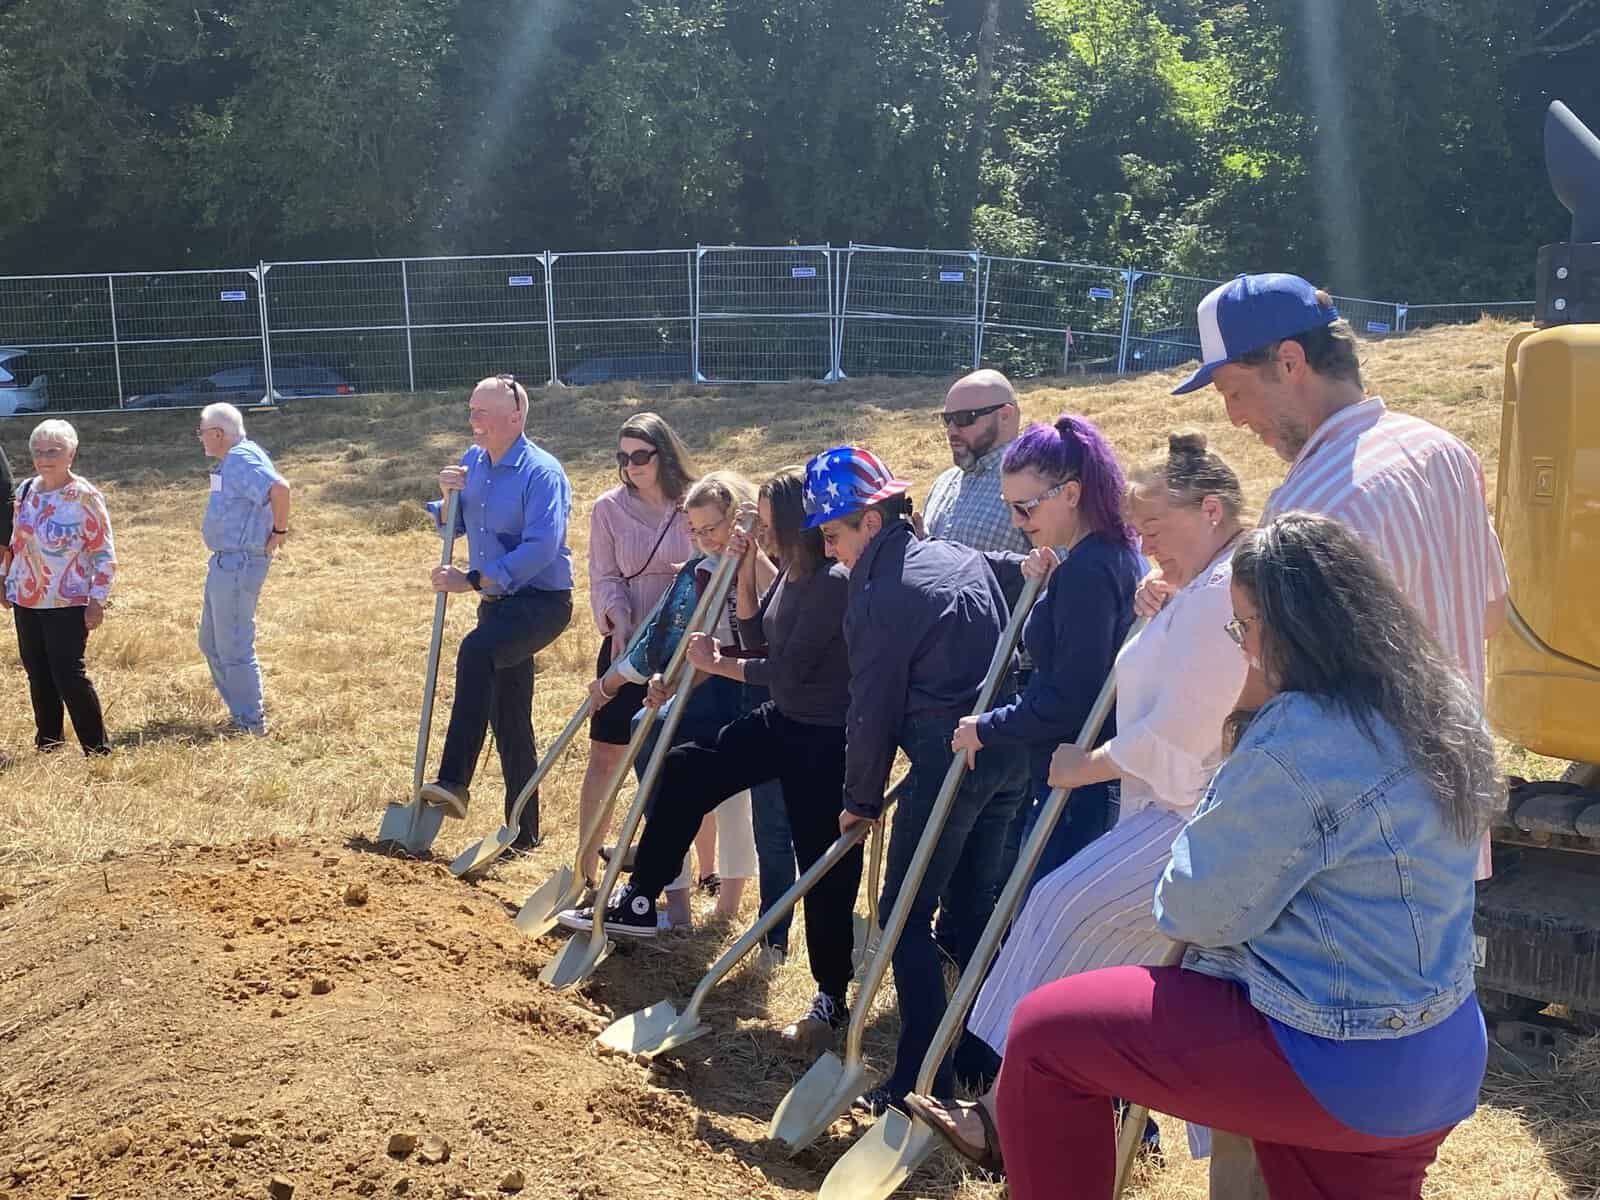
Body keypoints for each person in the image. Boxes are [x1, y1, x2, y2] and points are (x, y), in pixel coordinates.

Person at [991, 513, 1501, 1200]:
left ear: (1297, 626)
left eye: (1247, 626)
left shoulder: (1297, 736)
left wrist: (1243, 729)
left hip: (1333, 1056)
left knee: (1044, 1037)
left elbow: (1192, 909)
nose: (1245, 647)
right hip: (1439, 1054)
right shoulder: (1438, 701)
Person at [1160, 272, 1509, 1194]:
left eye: (1234, 390)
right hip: (1443, 824)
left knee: (1283, 1102)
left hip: (1332, 842)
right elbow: (1491, 613)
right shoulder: (1444, 450)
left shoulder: (1310, 505)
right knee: (1394, 1090)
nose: (1233, 418)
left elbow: (1270, 686)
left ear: (1289, 361)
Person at [906, 431, 1251, 1170]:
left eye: (1155, 527)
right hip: (1156, 803)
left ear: (1210, 510)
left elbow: (1182, 728)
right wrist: (1161, 602)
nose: (1144, 545)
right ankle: (1033, 1113)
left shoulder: (1226, 589)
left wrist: (1083, 764)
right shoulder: (1196, 582)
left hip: (1186, 813)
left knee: (1061, 918)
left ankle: (1022, 1109)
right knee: (1098, 954)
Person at [556, 466, 860, 1045]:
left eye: (767, 527)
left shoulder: (832, 583)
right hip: (782, 721)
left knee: (822, 863)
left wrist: (717, 664)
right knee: (686, 768)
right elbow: (753, 634)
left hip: (824, 738)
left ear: (793, 524)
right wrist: (742, 571)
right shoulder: (789, 575)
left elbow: (784, 670)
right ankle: (641, 897)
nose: (761, 535)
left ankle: (831, 996)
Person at [812, 446, 1028, 1114]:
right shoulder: (958, 556)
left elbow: (871, 707)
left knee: (904, 914)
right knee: (975, 910)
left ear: (871, 523)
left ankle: (917, 1079)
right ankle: (980, 1059)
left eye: (834, 535)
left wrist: (858, 800)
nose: (830, 552)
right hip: (1008, 750)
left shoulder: (879, 594)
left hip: (949, 760)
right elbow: (1020, 575)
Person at [949, 414, 1146, 887]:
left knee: (1043, 915)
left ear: (1071, 494)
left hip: (1076, 786)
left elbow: (1070, 697)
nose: (1017, 523)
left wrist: (986, 728)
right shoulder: (1107, 556)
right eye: (1011, 508)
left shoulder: (1088, 572)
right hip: (1085, 776)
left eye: (1026, 508)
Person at [586, 471, 763, 930]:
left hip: (752, 688)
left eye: (712, 527)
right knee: (650, 729)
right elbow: (673, 640)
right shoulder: (699, 569)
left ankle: (724, 905)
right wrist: (663, 679)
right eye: (696, 531)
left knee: (732, 795)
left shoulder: (762, 559)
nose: (705, 539)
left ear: (736, 518)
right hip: (709, 683)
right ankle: (671, 889)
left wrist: (748, 559)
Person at [418, 374, 574, 852]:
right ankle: (524, 831)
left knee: (476, 652)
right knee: (509, 718)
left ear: (515, 417)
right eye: (471, 411)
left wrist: (471, 580)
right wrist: (447, 497)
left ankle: (454, 780)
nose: (474, 421)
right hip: (496, 605)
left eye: (483, 413)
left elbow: (541, 548)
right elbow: (454, 524)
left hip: (541, 603)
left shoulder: (542, 473)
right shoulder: (472, 462)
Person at [581, 413, 696, 885]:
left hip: (684, 644)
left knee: (683, 755)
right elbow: (603, 575)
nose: (631, 466)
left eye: (640, 456)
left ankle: (696, 872)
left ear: (663, 455)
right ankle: (586, 868)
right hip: (627, 644)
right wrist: (618, 619)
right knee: (606, 754)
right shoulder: (607, 509)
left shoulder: (693, 501)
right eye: (623, 458)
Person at [2, 419, 114, 754]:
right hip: (26, 598)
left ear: (71, 454)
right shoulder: (26, 490)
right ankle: (48, 742)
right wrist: (5, 580)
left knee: (68, 674)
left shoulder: (85, 496)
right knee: (37, 672)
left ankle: (97, 749)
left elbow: (103, 552)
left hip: (67, 600)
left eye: (53, 451)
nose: (44, 458)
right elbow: (15, 543)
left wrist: (98, 600)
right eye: (38, 451)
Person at [196, 402, 291, 736]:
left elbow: (279, 488)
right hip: (225, 562)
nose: (200, 438)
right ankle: (241, 713)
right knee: (211, 642)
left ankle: (251, 724)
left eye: (202, 432)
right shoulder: (234, 459)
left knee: (234, 647)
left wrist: (279, 531)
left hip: (239, 563)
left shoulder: (241, 459)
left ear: (218, 433)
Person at [921, 369, 1032, 555]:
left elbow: (1060, 566)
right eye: (947, 419)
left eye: (964, 418)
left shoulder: (1036, 484)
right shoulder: (943, 483)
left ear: (1005, 415)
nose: (951, 430)